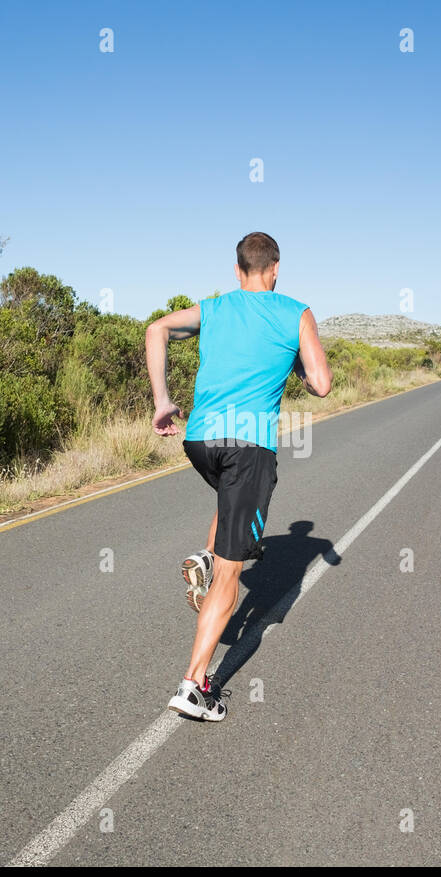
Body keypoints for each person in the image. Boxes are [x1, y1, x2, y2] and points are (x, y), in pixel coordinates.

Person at [144, 231, 332, 721]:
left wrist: (163, 401)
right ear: (274, 270)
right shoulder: (295, 311)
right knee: (234, 570)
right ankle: (194, 685)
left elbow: (156, 329)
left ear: (236, 271)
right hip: (250, 448)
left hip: (201, 441)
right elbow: (322, 385)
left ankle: (206, 557)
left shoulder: (215, 307)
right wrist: (292, 361)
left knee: (231, 504)